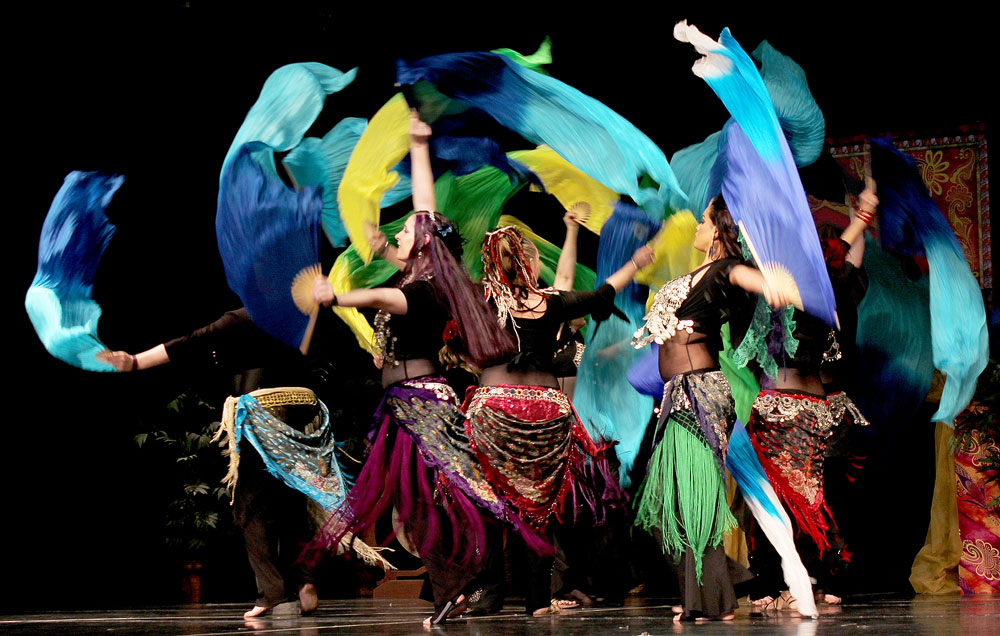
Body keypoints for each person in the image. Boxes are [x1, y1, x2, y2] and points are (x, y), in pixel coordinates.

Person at [308, 113, 516, 627]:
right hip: (406, 404)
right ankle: (462, 581)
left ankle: (464, 581)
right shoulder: (421, 270)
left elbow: (383, 294)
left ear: (422, 244)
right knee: (419, 503)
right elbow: (427, 211)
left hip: (420, 404)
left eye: (404, 233)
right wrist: (420, 147)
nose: (399, 235)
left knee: (428, 501)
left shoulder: (423, 288)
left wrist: (338, 296)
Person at [464, 219, 651, 616]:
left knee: (492, 499)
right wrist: (634, 264)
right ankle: (537, 599)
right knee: (540, 505)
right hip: (547, 411)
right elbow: (603, 294)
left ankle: (490, 591)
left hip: (497, 409)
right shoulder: (551, 302)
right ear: (528, 266)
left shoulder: (482, 302)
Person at [99, 309, 327, 619]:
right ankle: (305, 580)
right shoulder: (298, 313)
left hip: (260, 409)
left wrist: (136, 361)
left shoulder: (241, 318)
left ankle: (271, 591)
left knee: (250, 503)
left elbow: (187, 343)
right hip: (301, 411)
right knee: (292, 499)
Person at [630, 194, 789, 622]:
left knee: (693, 499)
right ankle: (719, 588)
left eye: (703, 221)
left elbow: (746, 275)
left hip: (699, 395)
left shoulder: (722, 269)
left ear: (718, 229)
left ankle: (712, 601)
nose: (697, 227)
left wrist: (773, 283)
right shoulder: (693, 274)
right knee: (670, 505)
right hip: (677, 395)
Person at [744, 186, 878, 610]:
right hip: (776, 404)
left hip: (813, 408)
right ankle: (775, 582)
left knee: (814, 496)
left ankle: (818, 577)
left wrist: (863, 215)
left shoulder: (825, 289)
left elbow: (840, 260)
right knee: (774, 496)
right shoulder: (762, 286)